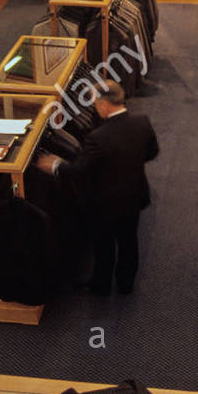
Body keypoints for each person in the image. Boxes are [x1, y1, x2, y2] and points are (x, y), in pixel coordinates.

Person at [37, 80, 159, 295]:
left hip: (103, 203)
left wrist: (55, 165)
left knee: (104, 246)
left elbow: (78, 170)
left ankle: (101, 286)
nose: (94, 107)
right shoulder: (143, 122)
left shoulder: (97, 138)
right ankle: (126, 284)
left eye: (95, 103)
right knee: (129, 241)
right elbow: (152, 152)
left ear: (104, 104)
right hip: (133, 196)